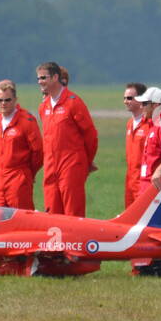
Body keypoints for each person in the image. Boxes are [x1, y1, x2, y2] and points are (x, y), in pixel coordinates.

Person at [36, 61, 98, 216]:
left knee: (72, 213)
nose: (40, 82)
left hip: (70, 164)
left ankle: (77, 241)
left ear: (55, 77)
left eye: (43, 77)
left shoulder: (73, 102)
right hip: (50, 166)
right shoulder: (43, 107)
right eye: (38, 78)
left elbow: (90, 135)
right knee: (52, 213)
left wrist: (85, 162)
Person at [134, 86, 161, 276]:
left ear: (156, 105)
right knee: (143, 226)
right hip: (145, 183)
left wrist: (159, 171)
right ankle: (146, 265)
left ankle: (160, 266)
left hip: (155, 184)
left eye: (145, 103)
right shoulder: (151, 125)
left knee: (155, 226)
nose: (141, 106)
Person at [0, 80, 43, 210]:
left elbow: (38, 151)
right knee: (0, 218)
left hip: (18, 176)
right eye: (0, 100)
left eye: (7, 100)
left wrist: (29, 173)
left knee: (21, 218)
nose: (3, 103)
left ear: (15, 99)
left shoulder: (26, 120)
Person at [123, 82, 151, 208]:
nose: (125, 101)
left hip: (144, 180)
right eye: (124, 98)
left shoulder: (150, 124)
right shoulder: (129, 124)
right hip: (130, 180)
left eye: (129, 98)